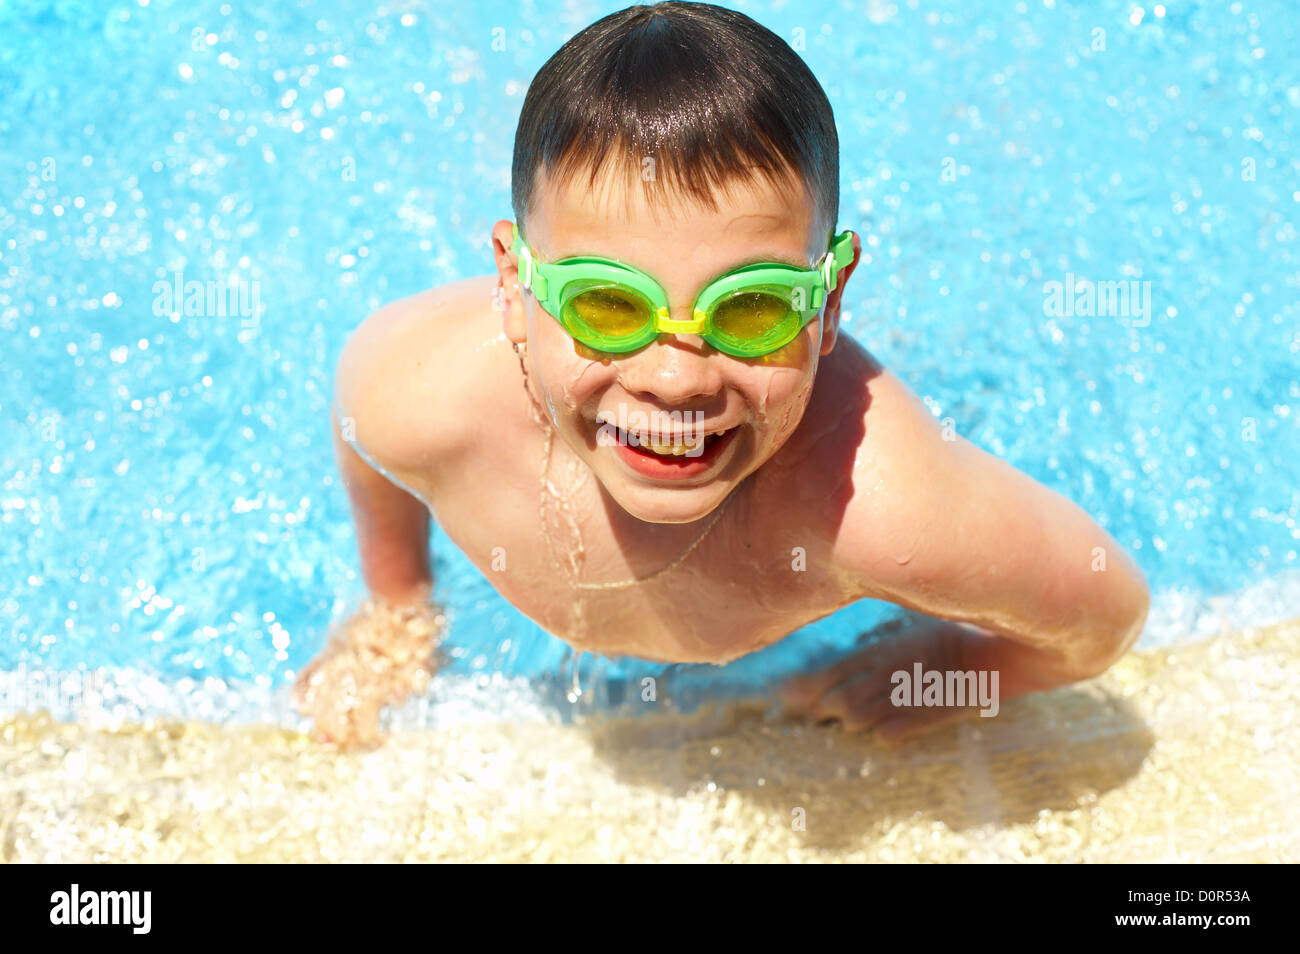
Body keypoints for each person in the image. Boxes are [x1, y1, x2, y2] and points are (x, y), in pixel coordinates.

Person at [294, 1, 1149, 750]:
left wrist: (960, 667)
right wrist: (397, 602)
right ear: (515, 288)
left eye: (750, 309)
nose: (675, 380)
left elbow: (1106, 612)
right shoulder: (413, 395)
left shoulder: (881, 512)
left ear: (828, 303)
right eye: (608, 305)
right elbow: (363, 444)